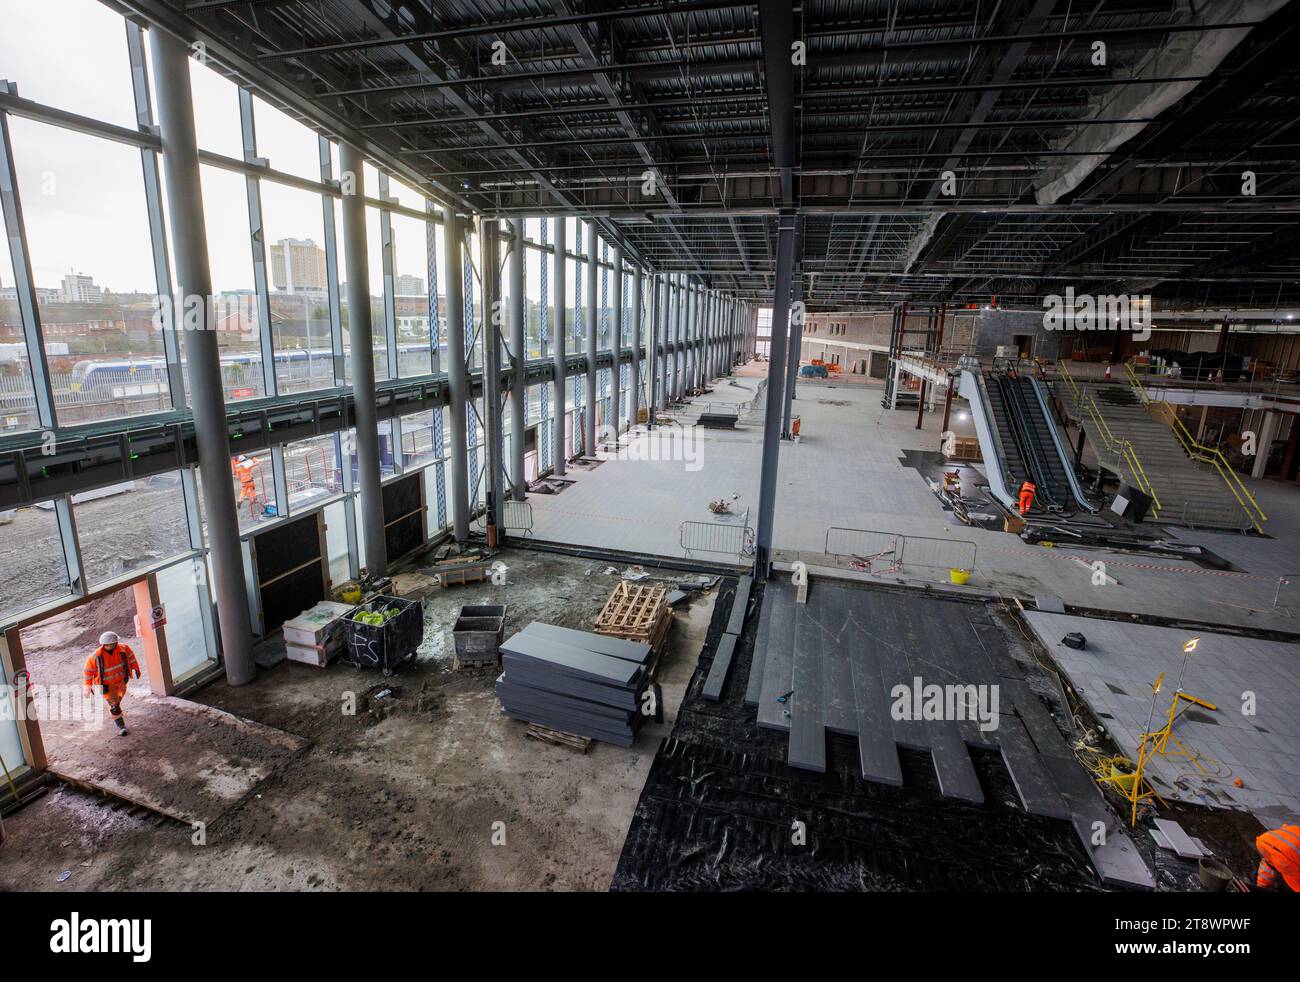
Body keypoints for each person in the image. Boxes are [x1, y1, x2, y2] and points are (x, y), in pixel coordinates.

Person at [83, 631, 141, 737]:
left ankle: (116, 706)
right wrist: (87, 686)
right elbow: (88, 672)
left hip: (121, 682)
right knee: (114, 705)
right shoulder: (95, 657)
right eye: (114, 642)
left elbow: (132, 657)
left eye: (116, 642)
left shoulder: (124, 649)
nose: (116, 643)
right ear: (106, 645)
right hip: (106, 686)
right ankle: (121, 726)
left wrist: (136, 667)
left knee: (118, 699)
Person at [1255, 824, 1300, 892]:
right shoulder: (1285, 862)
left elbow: (1268, 865)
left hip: (1266, 840)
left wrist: (1261, 886)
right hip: (1284, 856)